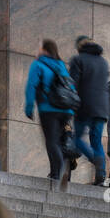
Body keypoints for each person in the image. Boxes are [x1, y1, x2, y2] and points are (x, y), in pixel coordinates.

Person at [24, 39, 75, 184]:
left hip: (49, 109)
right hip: (66, 109)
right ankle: (55, 173)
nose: (37, 50)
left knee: (51, 141)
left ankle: (57, 171)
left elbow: (31, 86)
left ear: (45, 50)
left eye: (39, 47)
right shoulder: (61, 65)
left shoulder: (38, 64)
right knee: (59, 141)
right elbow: (70, 87)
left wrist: (29, 107)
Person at [67, 35, 109, 185]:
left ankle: (93, 158)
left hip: (84, 106)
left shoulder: (78, 60)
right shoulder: (103, 62)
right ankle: (101, 174)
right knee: (96, 140)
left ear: (79, 47)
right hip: (102, 108)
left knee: (77, 139)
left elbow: (72, 84)